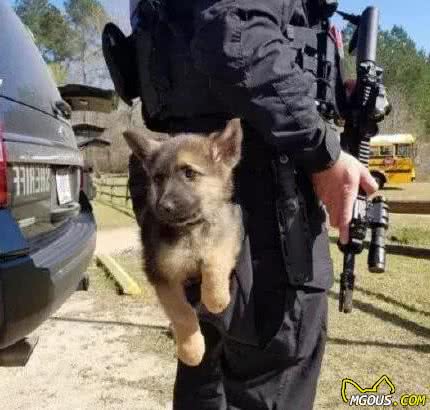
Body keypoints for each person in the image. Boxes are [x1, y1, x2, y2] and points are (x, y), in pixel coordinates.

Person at [104, 1, 378, 408]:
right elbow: (235, 35)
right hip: (248, 194)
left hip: (198, 182)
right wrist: (323, 151)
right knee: (269, 372)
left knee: (205, 374)